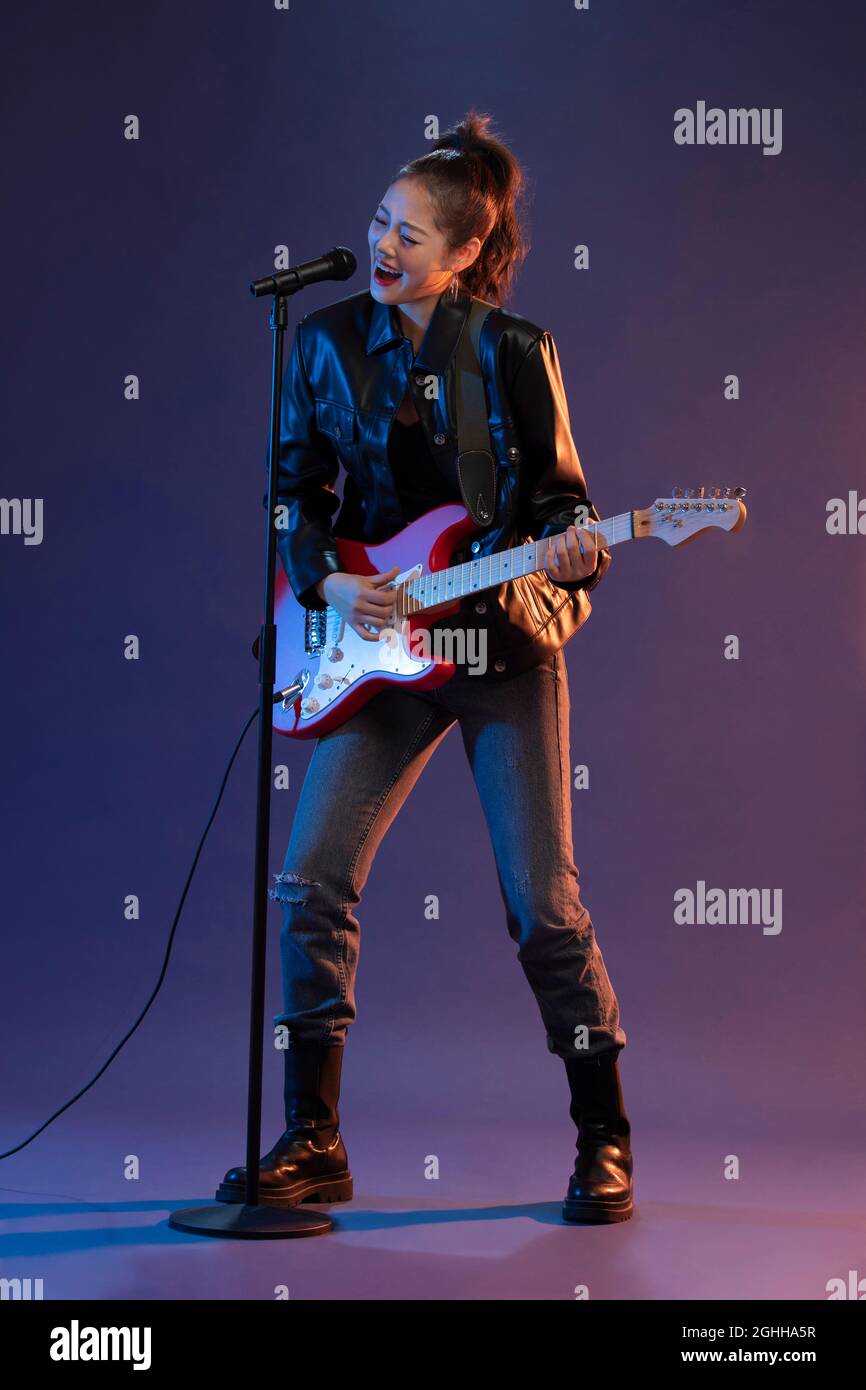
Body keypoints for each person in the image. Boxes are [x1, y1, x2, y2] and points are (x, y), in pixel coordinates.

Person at [218, 111, 632, 1224]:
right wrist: (325, 579)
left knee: (543, 908)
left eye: (410, 235)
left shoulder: (512, 350)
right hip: (372, 641)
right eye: (377, 224)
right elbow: (292, 490)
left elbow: (559, 504)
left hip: (491, 640)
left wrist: (576, 542)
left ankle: (603, 1135)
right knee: (308, 879)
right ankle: (313, 1139)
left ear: (462, 256)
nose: (385, 246)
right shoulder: (319, 341)